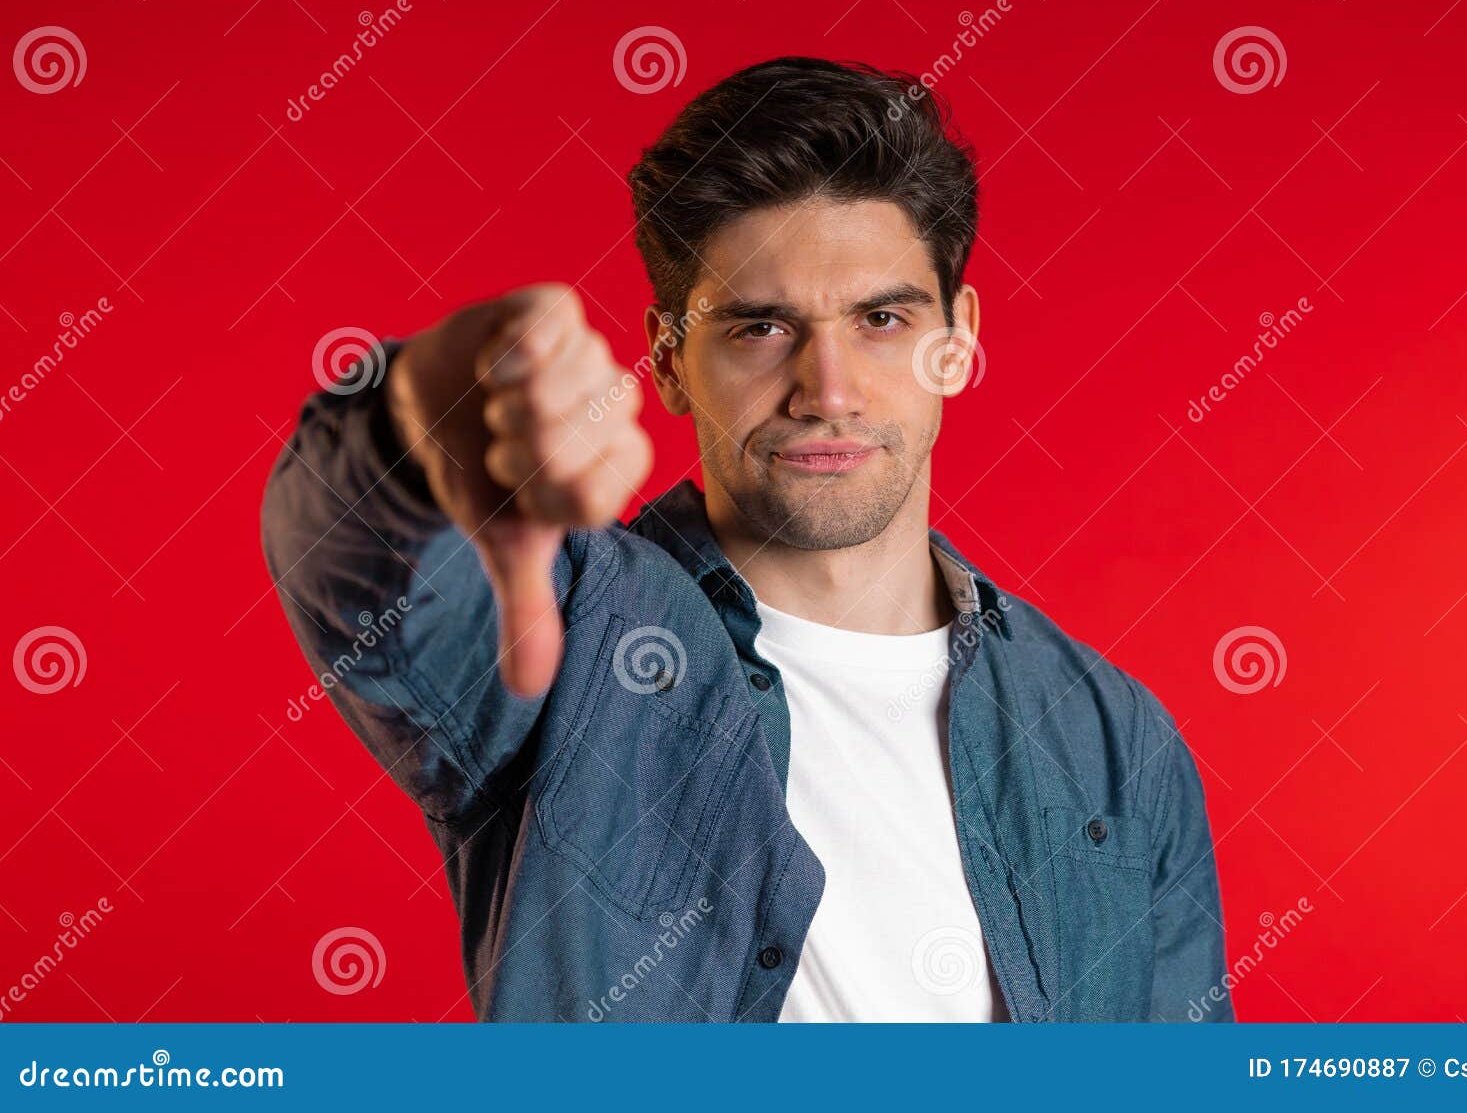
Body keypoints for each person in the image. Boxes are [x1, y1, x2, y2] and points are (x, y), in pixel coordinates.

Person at [260, 56, 1232, 1022]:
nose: (828, 390)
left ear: (956, 340)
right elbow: (352, 557)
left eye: (882, 318)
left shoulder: (1113, 736)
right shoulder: (571, 636)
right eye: (761, 327)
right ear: (669, 359)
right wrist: (417, 421)